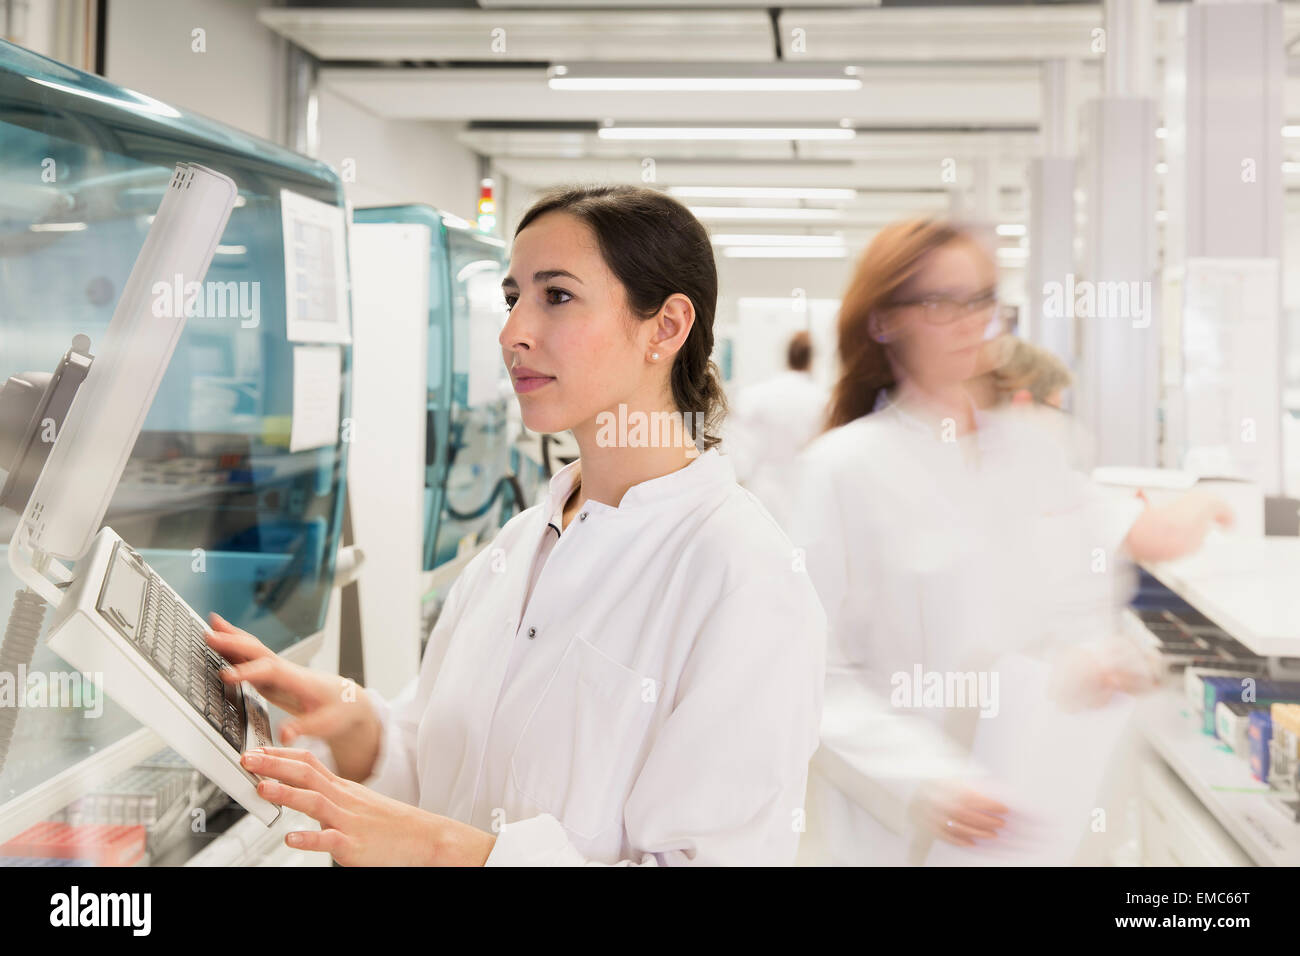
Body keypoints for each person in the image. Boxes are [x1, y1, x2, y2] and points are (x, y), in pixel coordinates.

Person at [205, 185, 826, 866]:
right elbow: (436, 764)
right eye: (512, 298)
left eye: (555, 296)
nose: (511, 334)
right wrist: (358, 724)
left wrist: (453, 852)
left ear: (666, 327)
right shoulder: (518, 544)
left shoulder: (746, 579)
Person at [789, 219, 1158, 866]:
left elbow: (1078, 602)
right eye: (940, 303)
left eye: (983, 300)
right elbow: (814, 676)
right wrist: (926, 781)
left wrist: (1100, 658)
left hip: (1041, 811)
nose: (971, 322)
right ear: (884, 322)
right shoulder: (841, 470)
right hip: (907, 830)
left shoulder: (1039, 450)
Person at [725, 330, 831, 529]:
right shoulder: (821, 400)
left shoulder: (755, 395)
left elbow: (739, 457)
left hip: (762, 494)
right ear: (811, 361)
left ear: (788, 357)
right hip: (804, 493)